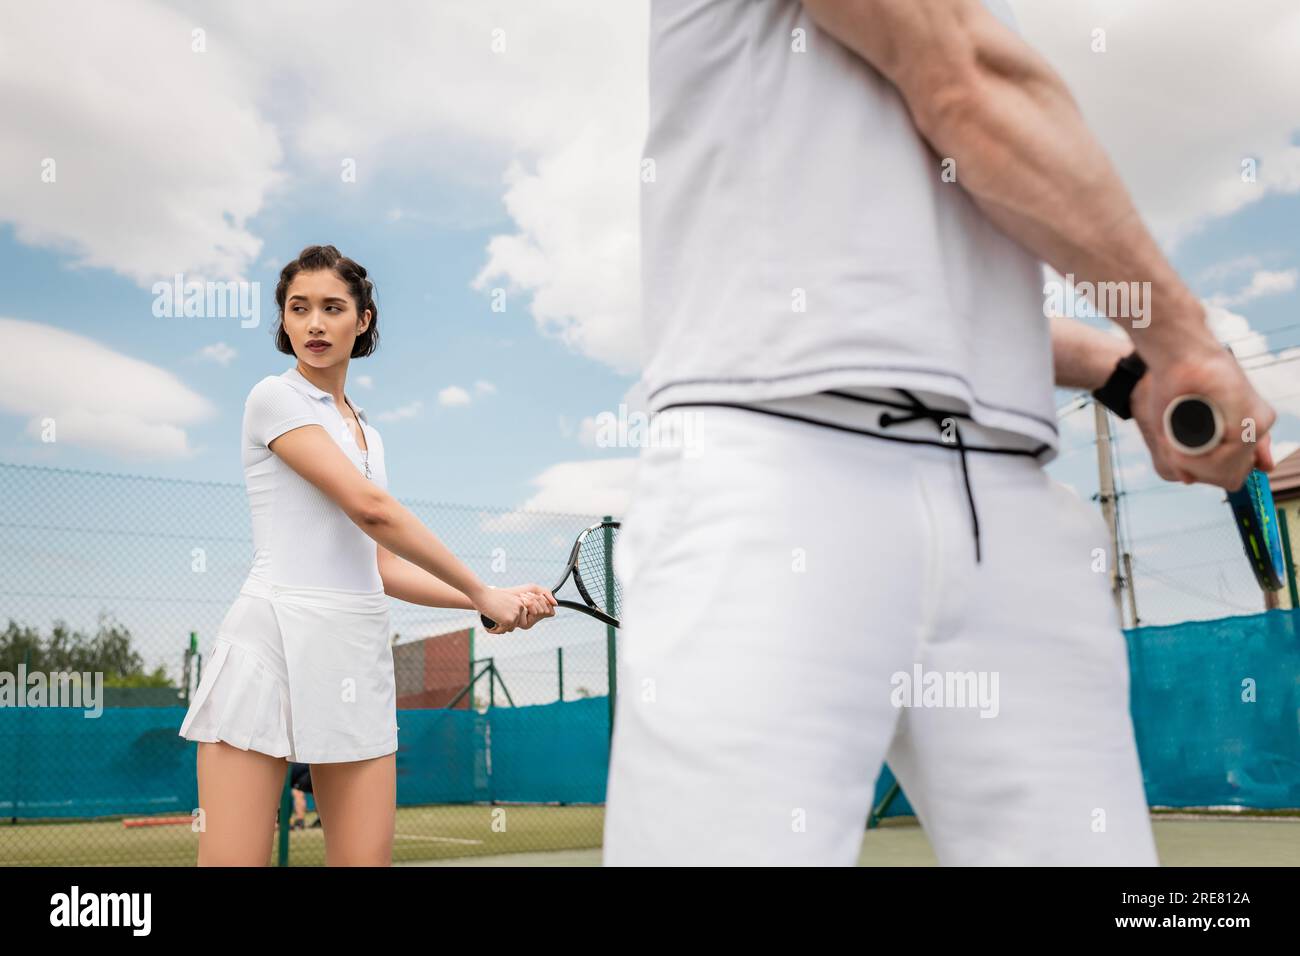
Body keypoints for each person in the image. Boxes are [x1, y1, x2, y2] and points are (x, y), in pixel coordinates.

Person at [603, 0, 1275, 865]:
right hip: (773, 466)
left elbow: (927, 283)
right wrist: (1181, 345)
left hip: (1004, 494)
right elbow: (965, 80)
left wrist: (1118, 366)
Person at [179, 244, 556, 866]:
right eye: (299, 309)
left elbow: (378, 565)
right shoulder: (274, 399)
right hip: (268, 643)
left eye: (333, 307)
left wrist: (486, 597)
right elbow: (371, 510)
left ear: (364, 318)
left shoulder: (367, 434)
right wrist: (483, 593)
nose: (315, 323)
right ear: (284, 322)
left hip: (352, 653)